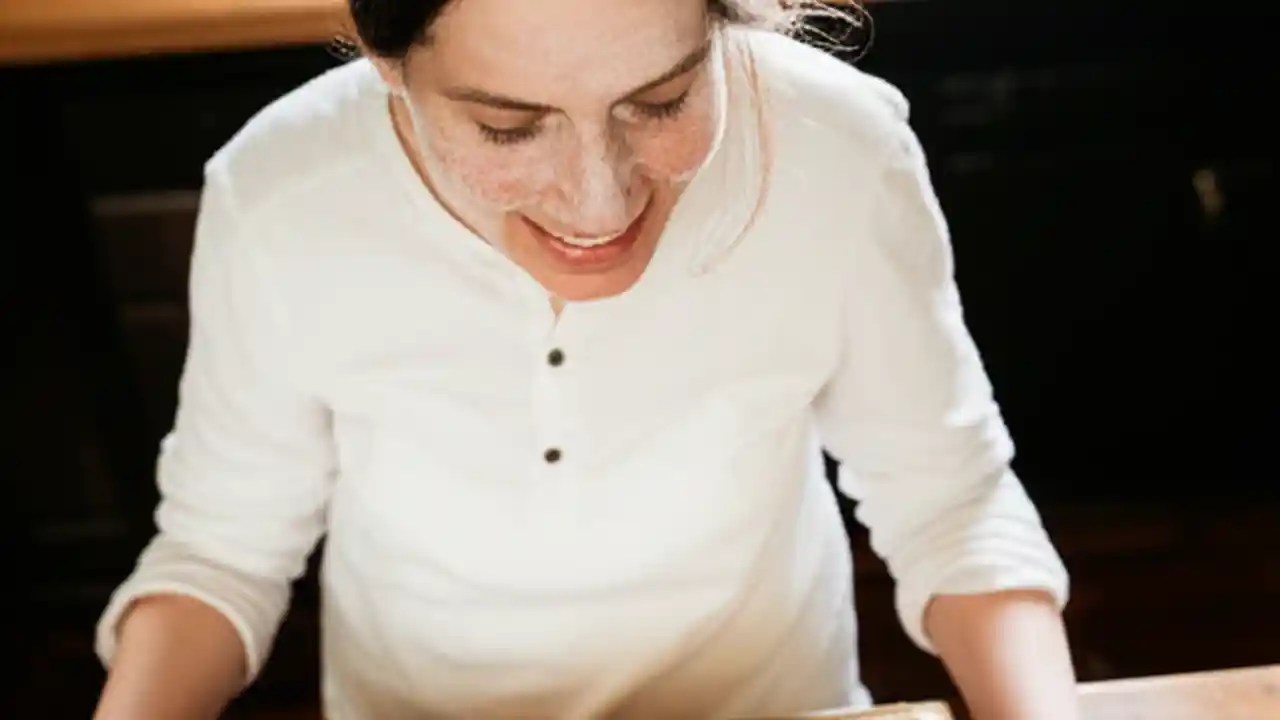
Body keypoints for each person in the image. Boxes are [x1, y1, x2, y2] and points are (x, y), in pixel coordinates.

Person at [92, 1, 1080, 718]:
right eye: (507, 127)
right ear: (386, 61)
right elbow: (221, 549)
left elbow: (949, 506)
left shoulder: (840, 147)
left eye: (662, 100)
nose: (598, 203)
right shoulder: (279, 193)